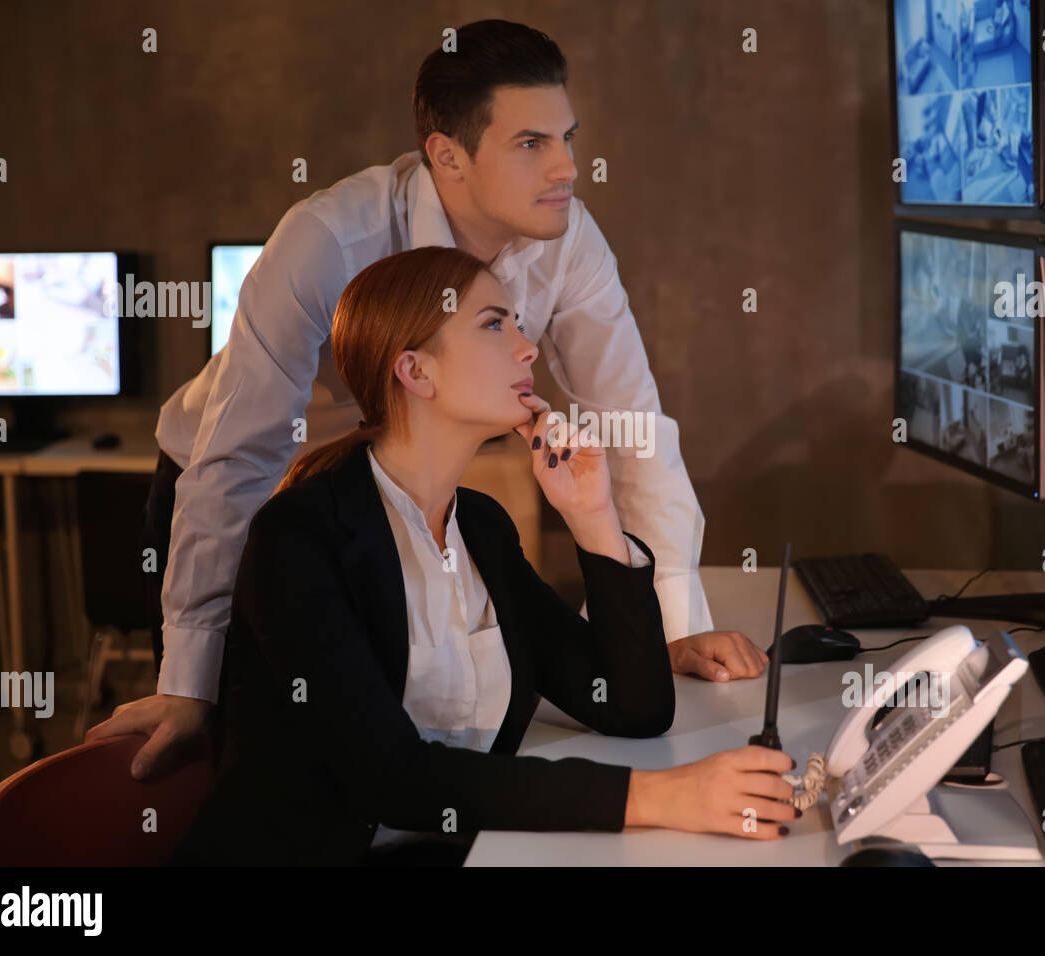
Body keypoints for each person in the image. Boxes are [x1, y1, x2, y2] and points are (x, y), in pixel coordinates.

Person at [88, 19, 766, 780]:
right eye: (532, 143)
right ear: (447, 155)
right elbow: (237, 457)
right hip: (251, 495)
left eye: (568, 138)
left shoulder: (567, 239)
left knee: (393, 745)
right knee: (263, 756)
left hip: (392, 493)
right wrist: (191, 682)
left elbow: (631, 420)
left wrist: (671, 625)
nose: (570, 168)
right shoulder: (328, 241)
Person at [170, 247, 798, 865]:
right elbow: (390, 776)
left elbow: (631, 707)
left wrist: (592, 516)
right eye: (494, 324)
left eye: (517, 324)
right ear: (416, 372)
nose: (527, 347)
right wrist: (664, 796)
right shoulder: (301, 538)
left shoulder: (481, 526)